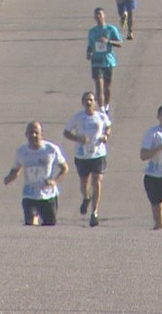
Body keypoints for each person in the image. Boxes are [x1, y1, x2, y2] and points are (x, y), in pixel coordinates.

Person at [3, 121, 68, 226]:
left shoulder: (51, 150)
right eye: (30, 133)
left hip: (48, 195)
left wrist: (54, 181)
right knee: (31, 222)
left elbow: (64, 168)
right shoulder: (21, 151)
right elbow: (16, 168)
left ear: (41, 134)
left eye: (36, 132)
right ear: (26, 135)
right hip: (29, 195)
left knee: (49, 225)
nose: (33, 135)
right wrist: (10, 177)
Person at [63, 92, 111, 227]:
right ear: (82, 103)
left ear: (95, 102)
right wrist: (78, 139)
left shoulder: (101, 117)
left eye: (91, 100)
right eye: (86, 100)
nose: (88, 102)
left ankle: (94, 212)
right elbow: (66, 132)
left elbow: (108, 126)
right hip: (82, 155)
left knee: (97, 181)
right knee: (84, 184)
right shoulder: (78, 118)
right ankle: (86, 197)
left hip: (98, 154)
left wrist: (106, 135)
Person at [85, 7, 122, 110]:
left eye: (100, 15)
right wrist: (88, 53)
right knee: (99, 87)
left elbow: (120, 43)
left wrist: (108, 41)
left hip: (108, 61)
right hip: (96, 62)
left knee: (107, 88)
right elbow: (90, 45)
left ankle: (106, 106)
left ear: (104, 16)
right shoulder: (92, 31)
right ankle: (101, 109)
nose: (98, 17)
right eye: (96, 15)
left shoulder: (111, 29)